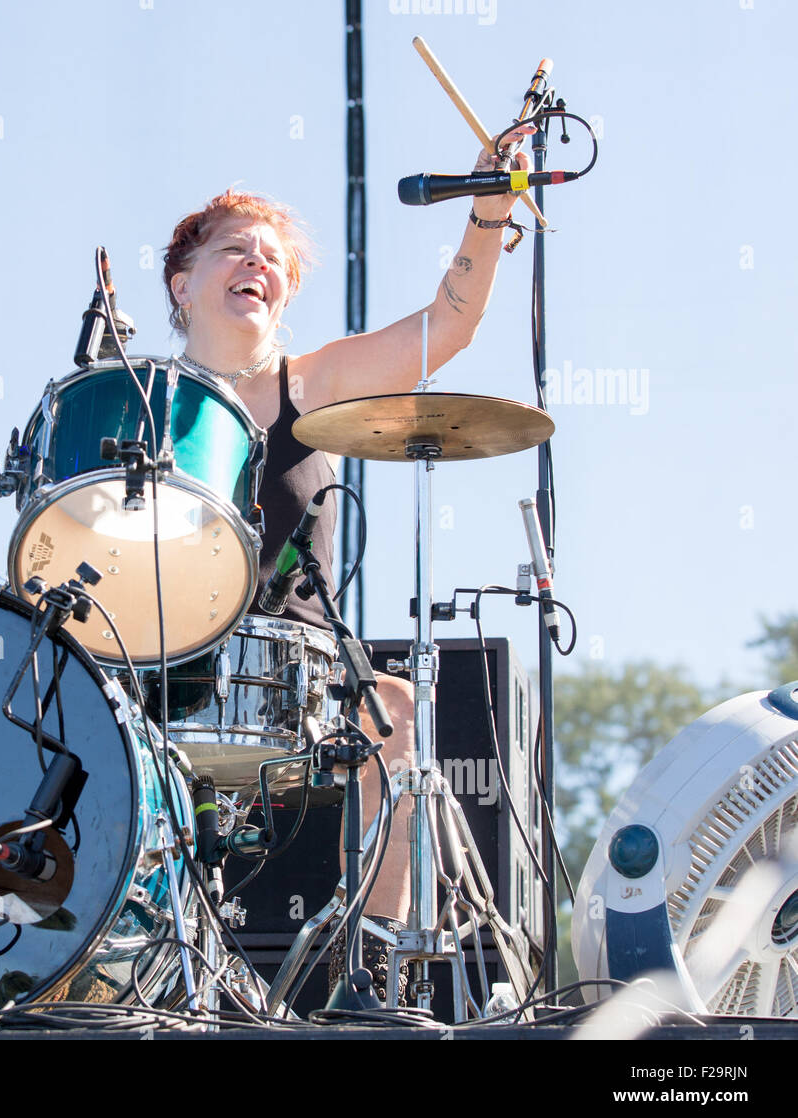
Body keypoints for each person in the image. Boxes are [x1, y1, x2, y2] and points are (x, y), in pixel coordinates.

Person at [161, 130, 532, 1000]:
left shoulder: (311, 381)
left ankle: (365, 972)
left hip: (297, 661)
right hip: (160, 660)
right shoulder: (135, 401)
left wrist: (489, 208)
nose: (257, 263)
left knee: (400, 716)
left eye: (273, 257)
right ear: (183, 283)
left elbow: (451, 325)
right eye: (234, 250)